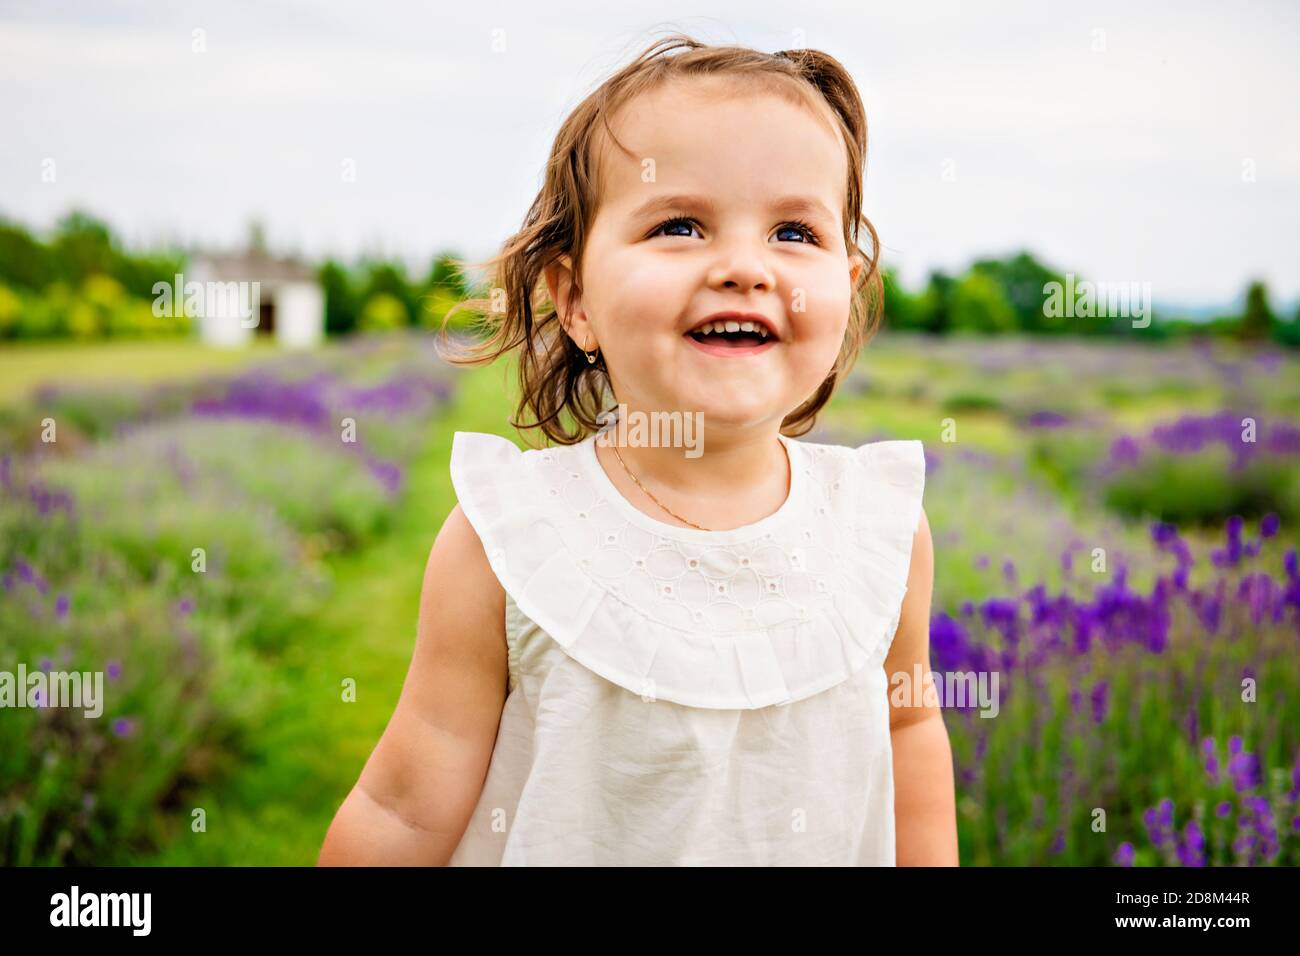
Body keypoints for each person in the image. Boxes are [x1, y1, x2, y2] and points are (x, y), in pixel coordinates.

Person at [319, 32, 958, 866]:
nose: (744, 267)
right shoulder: (510, 539)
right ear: (575, 297)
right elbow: (403, 807)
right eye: (681, 224)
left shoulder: (879, 529)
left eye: (795, 233)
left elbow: (908, 733)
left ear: (850, 284)